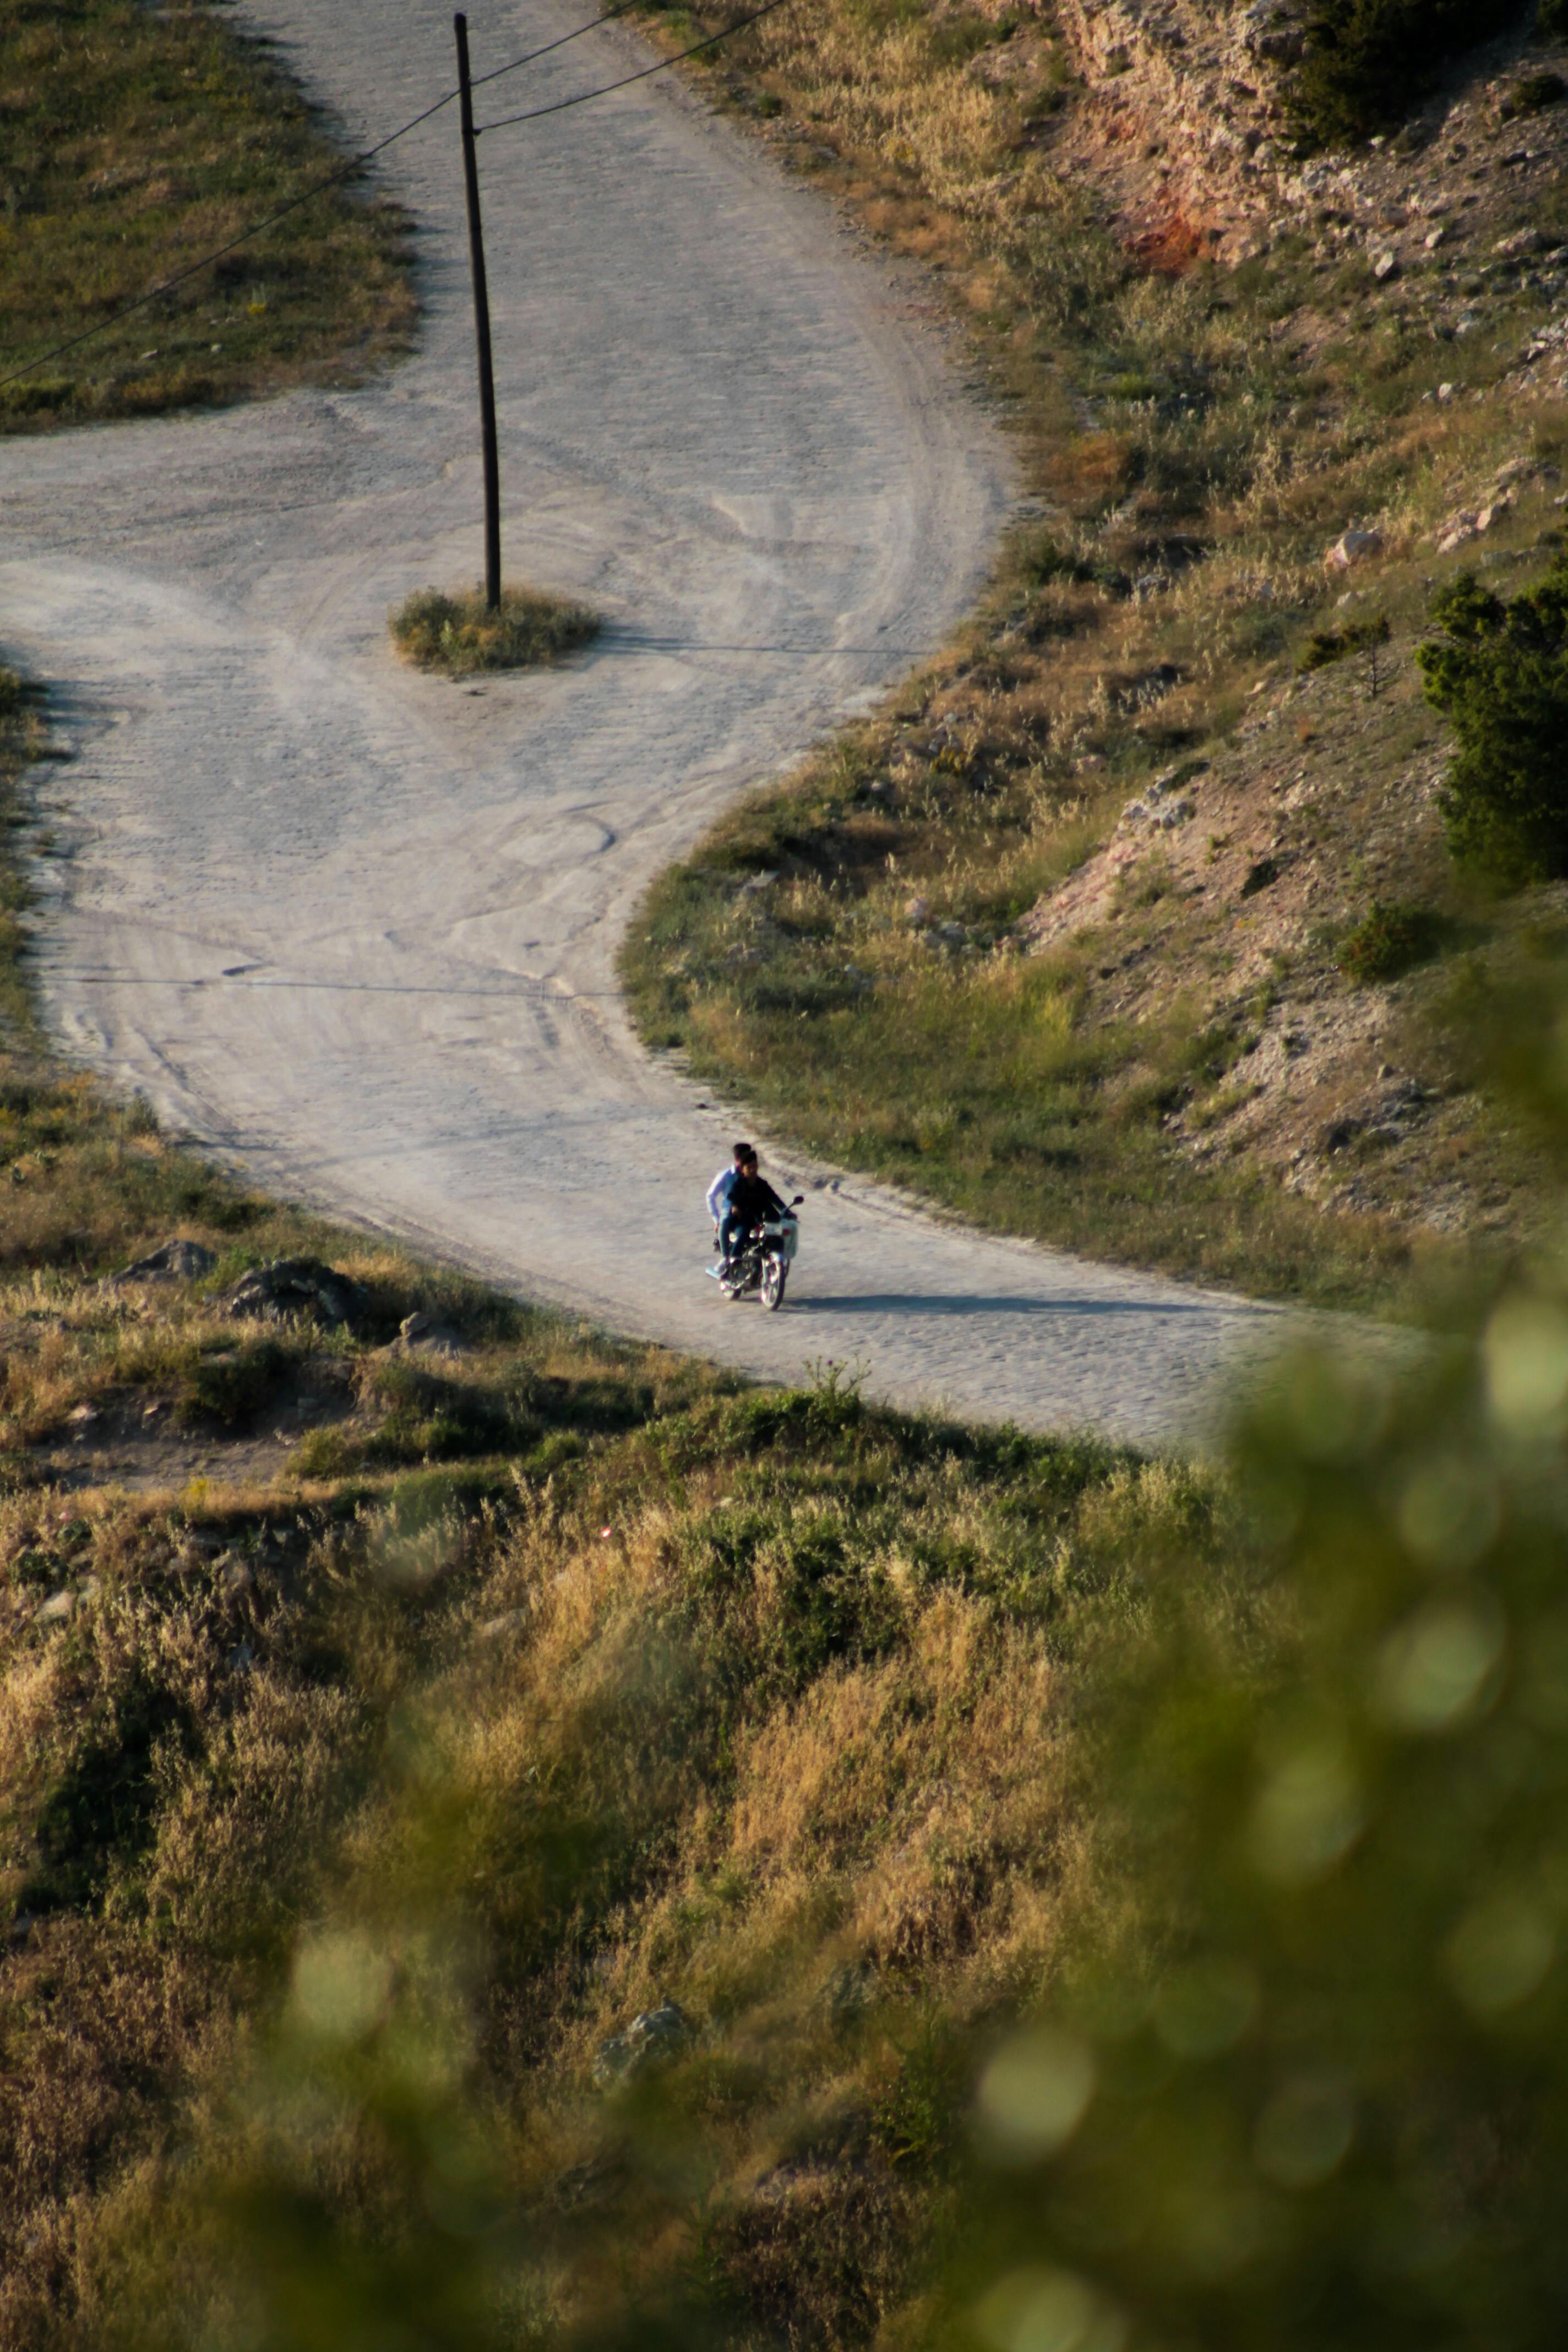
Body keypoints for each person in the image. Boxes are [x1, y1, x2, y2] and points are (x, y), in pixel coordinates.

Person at [717, 1148, 787, 1272]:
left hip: (760, 1221)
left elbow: (775, 1200)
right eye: (749, 1167)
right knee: (743, 1235)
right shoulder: (739, 1185)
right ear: (742, 1170)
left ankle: (772, 1265)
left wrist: (787, 1212)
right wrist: (735, 1207)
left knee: (778, 1236)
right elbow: (732, 1197)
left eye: (755, 1166)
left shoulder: (762, 1184)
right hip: (744, 1221)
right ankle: (731, 1265)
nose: (753, 1170)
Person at [706, 1142, 752, 1263]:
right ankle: (725, 1258)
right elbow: (710, 1196)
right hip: (730, 1212)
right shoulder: (726, 1176)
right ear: (737, 1159)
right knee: (724, 1222)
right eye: (745, 1157)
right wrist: (716, 1220)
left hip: (746, 1212)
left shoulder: (751, 1174)